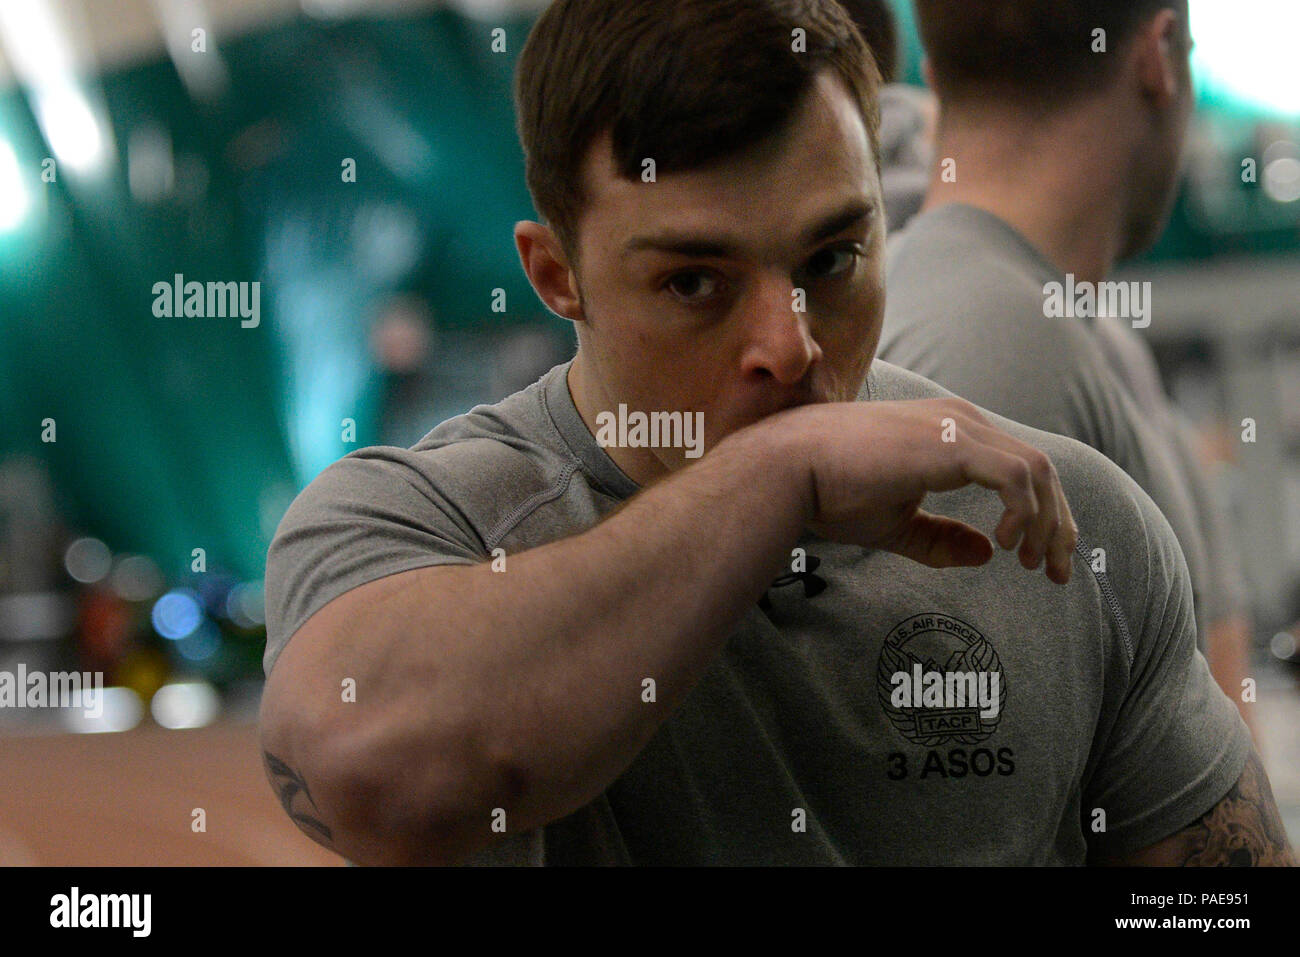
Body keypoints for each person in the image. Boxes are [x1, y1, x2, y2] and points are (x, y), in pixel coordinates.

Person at [258, 0, 1290, 866]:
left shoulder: (1069, 517)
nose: (789, 347)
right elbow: (377, 775)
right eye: (694, 283)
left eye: (831, 260)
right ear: (556, 274)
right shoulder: (427, 523)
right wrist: (781, 475)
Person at [878, 0, 1259, 736]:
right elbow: (987, 775)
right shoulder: (993, 348)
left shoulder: (1074, 333)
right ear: (1158, 56)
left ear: (937, 73)